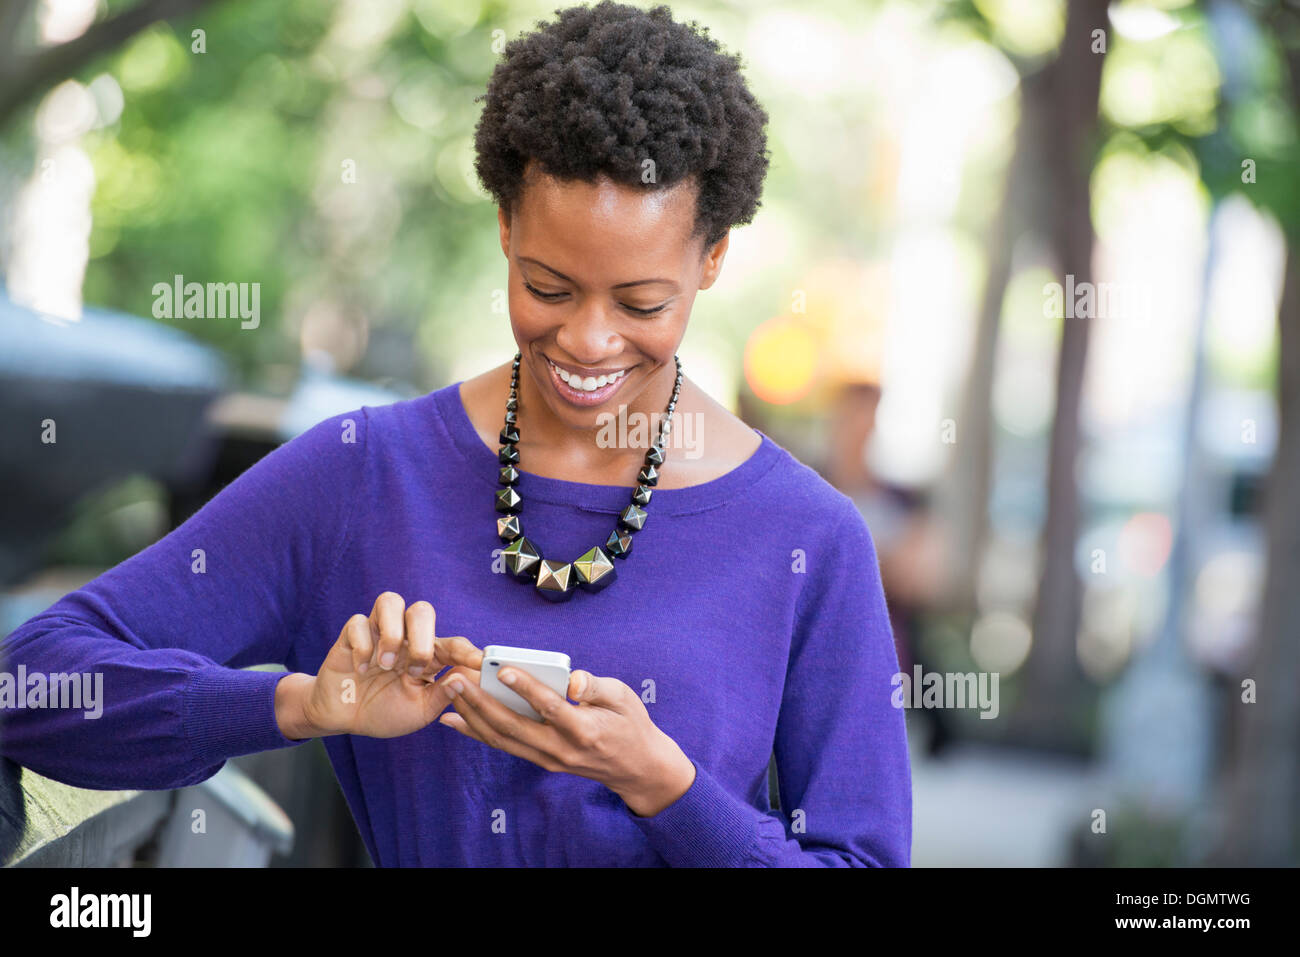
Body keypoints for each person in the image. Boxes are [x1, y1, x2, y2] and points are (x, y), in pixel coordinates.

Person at [0, 1, 910, 867]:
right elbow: (31, 683)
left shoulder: (808, 538)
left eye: (641, 302)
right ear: (506, 228)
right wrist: (299, 704)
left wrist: (665, 786)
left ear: (712, 258)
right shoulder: (367, 473)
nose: (588, 340)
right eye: (548, 287)